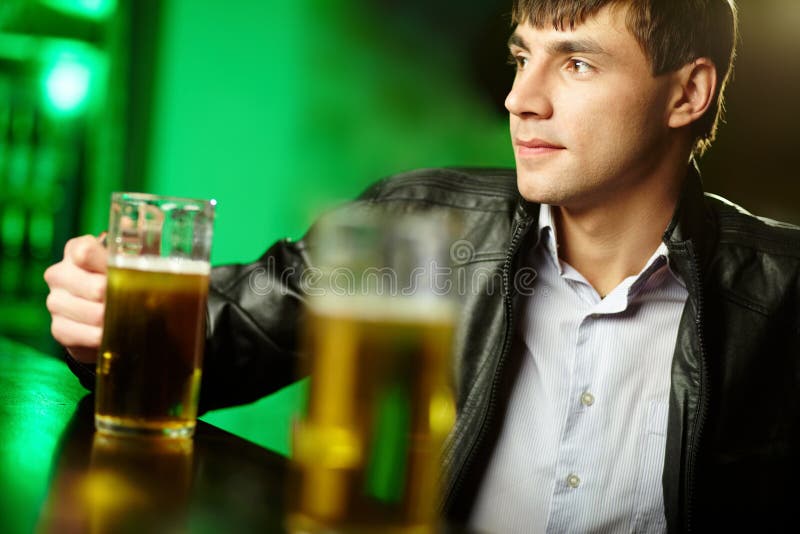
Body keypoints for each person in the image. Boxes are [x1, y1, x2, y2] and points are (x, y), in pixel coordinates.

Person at [44, 0, 798, 531]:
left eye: (575, 63)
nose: (520, 98)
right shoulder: (414, 225)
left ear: (688, 93)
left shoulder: (784, 294)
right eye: (522, 58)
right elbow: (216, 341)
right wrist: (105, 318)